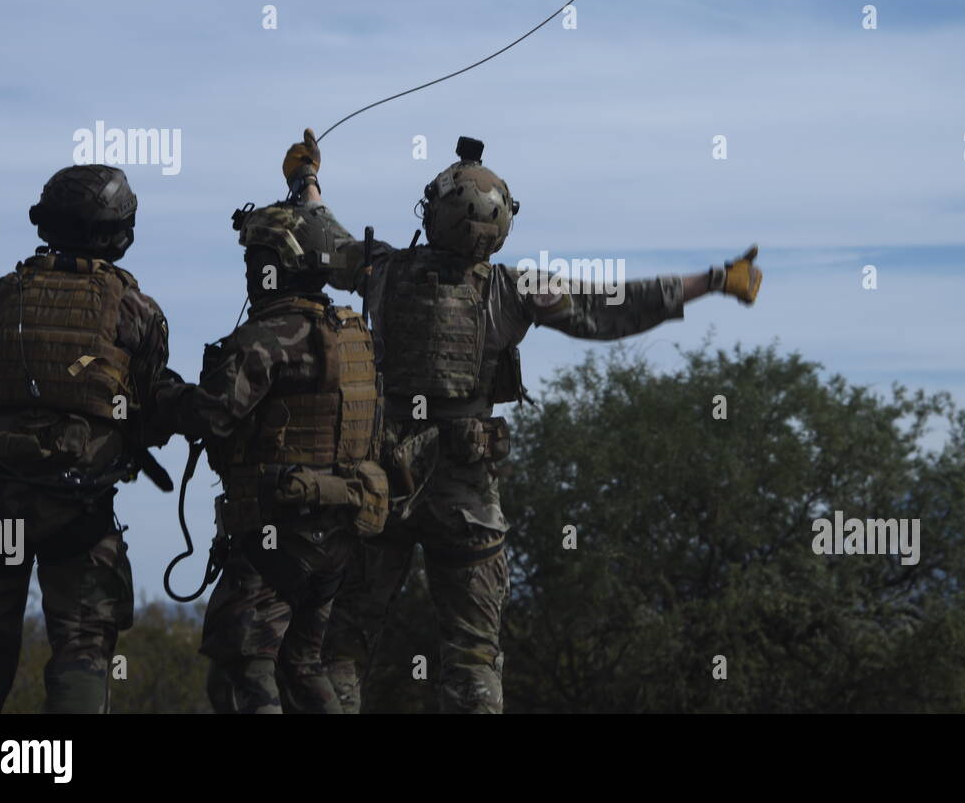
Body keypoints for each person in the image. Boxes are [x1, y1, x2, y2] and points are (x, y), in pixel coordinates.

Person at [317, 135, 763, 713]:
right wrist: (713, 280)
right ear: (500, 225)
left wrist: (308, 181)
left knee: (345, 642)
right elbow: (610, 307)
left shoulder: (379, 269)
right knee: (473, 654)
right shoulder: (516, 289)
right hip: (467, 495)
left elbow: (325, 239)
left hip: (381, 484)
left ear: (432, 212)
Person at [0, 165, 179, 713]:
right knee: (84, 647)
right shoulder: (136, 312)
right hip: (79, 511)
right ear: (118, 232)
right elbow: (153, 410)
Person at [158, 128, 389, 713]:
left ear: (274, 267)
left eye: (255, 259)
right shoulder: (355, 336)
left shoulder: (267, 336)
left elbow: (212, 414)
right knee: (302, 662)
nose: (249, 270)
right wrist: (304, 187)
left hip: (276, 531)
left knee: (243, 670)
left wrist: (163, 394)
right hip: (339, 532)